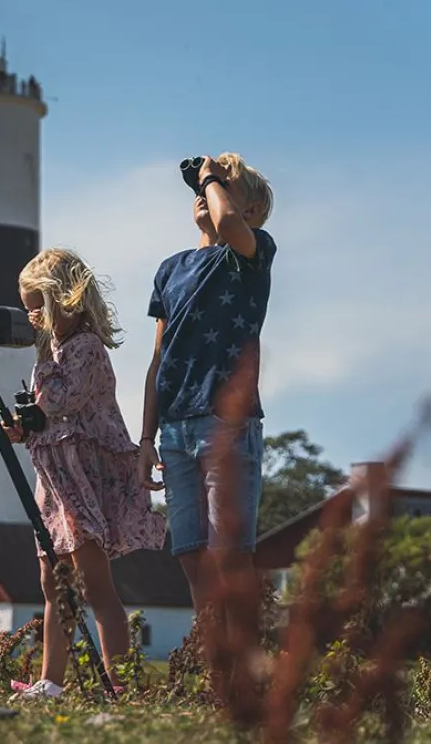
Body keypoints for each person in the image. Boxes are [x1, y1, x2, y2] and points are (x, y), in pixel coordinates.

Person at [3, 247, 167, 699]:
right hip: (55, 483)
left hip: (82, 482)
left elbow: (60, 402)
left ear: (64, 300)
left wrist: (39, 388)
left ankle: (119, 684)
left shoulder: (85, 349)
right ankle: (50, 681)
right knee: (54, 585)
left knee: (95, 586)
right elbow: (50, 416)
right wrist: (25, 427)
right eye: (27, 308)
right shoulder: (55, 352)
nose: (32, 316)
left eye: (38, 306)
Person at [137, 153, 277, 615]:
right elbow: (158, 358)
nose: (205, 189)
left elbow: (229, 224)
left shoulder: (253, 251)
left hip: (226, 425)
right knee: (192, 553)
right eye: (202, 184)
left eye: (219, 185)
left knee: (229, 552)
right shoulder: (170, 269)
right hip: (175, 426)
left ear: (250, 212)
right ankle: (214, 658)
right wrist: (145, 437)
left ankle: (243, 669)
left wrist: (211, 174)